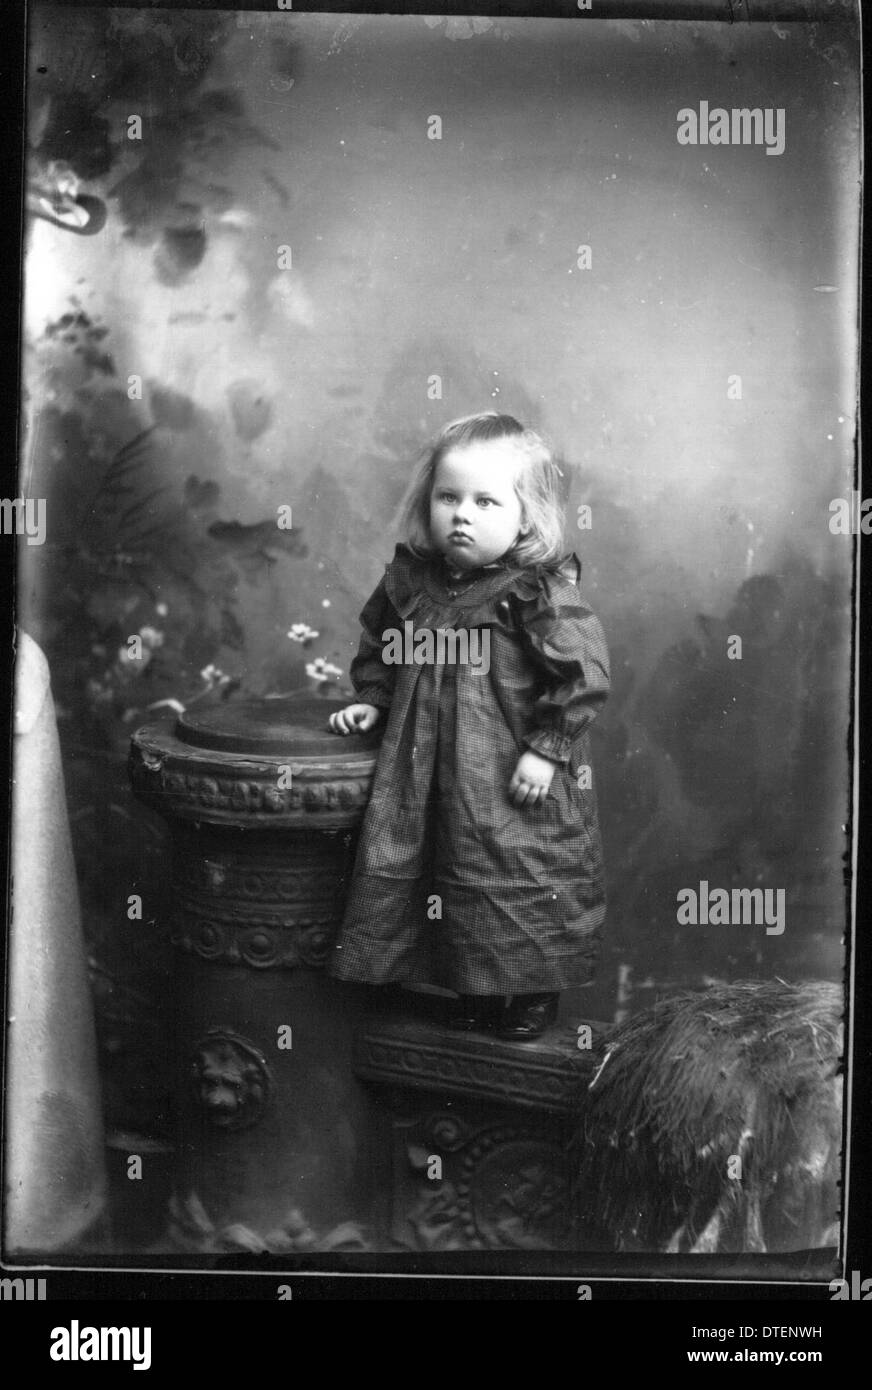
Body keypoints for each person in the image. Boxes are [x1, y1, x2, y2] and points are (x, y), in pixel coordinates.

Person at [327, 411, 610, 1041]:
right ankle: (460, 986)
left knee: (515, 867)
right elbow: (383, 643)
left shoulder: (535, 591)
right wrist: (374, 697)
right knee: (430, 861)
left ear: (526, 516)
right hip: (423, 760)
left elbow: (582, 673)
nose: (462, 514)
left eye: (486, 501)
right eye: (448, 497)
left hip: (505, 761)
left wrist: (547, 747)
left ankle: (531, 990)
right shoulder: (412, 581)